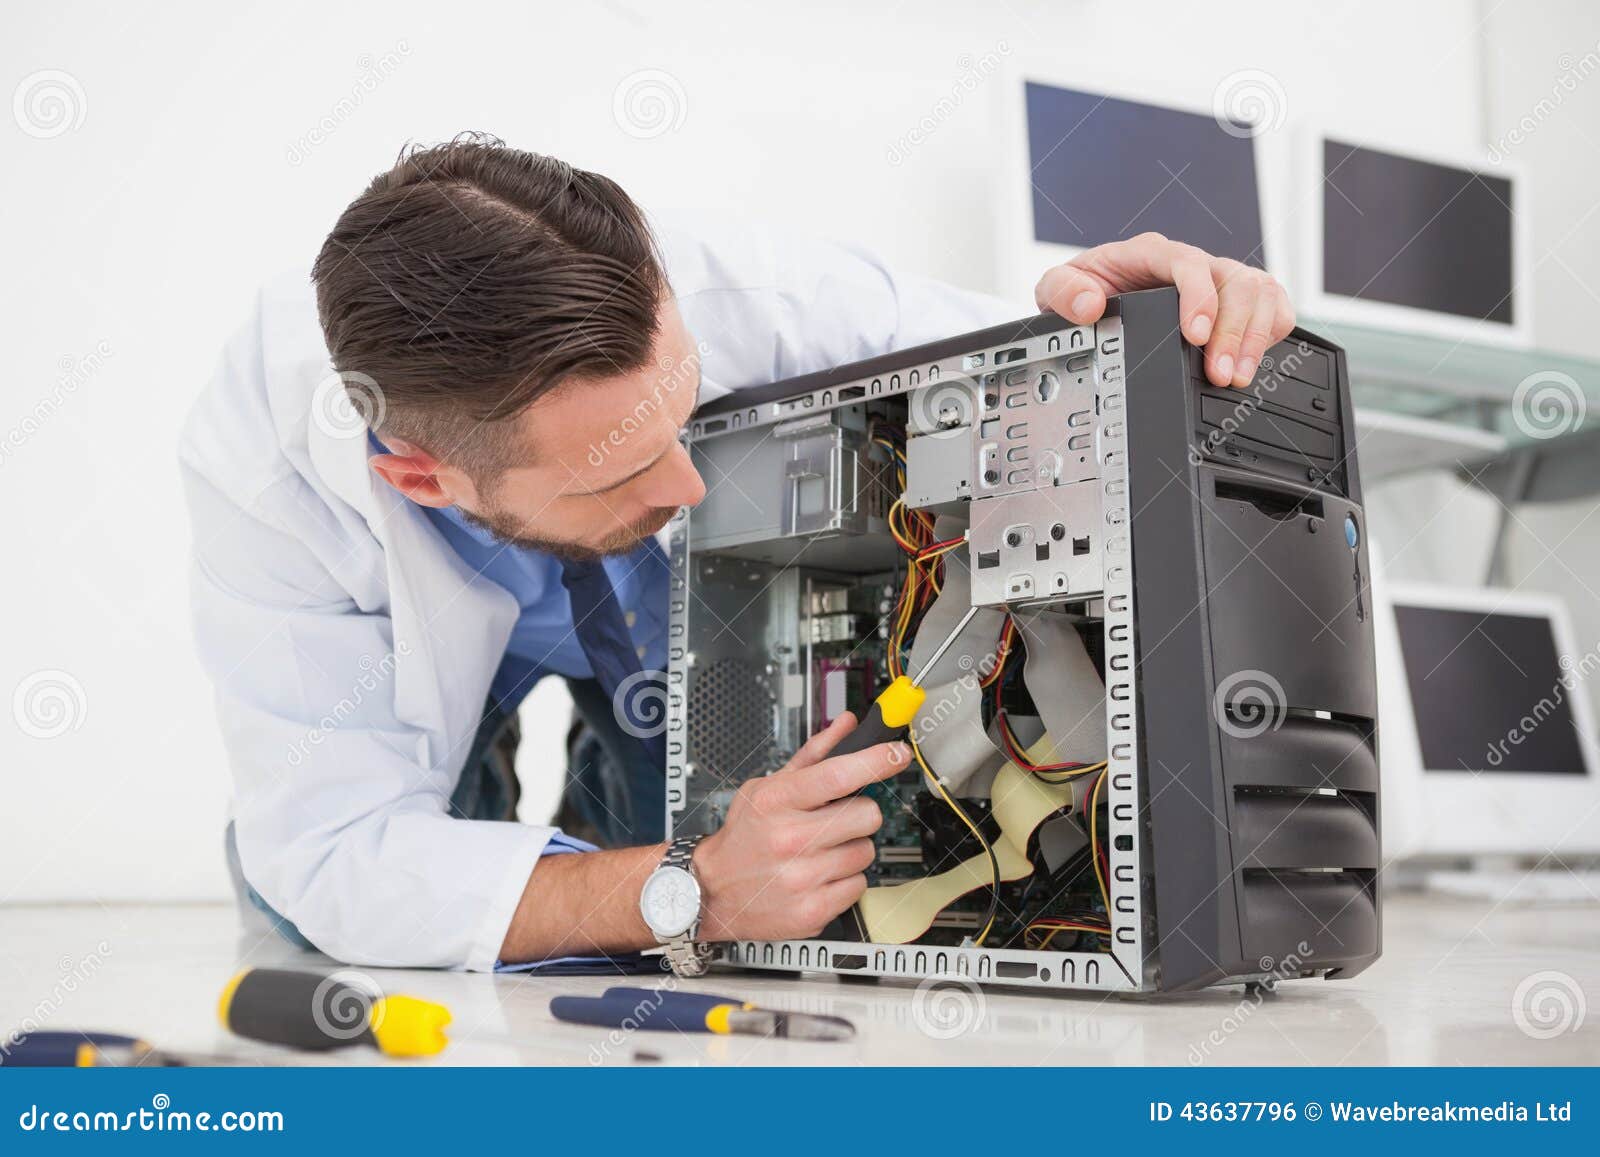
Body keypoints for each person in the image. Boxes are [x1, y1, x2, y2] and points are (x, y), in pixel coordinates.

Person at [180, 134, 1295, 971]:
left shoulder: (753, 293)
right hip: (408, 674)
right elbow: (334, 849)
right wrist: (689, 888)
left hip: (651, 644)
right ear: (424, 476)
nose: (688, 489)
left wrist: (1141, 319)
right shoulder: (266, 473)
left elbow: (1040, 359)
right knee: (319, 927)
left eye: (683, 411)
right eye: (619, 471)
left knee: (665, 885)